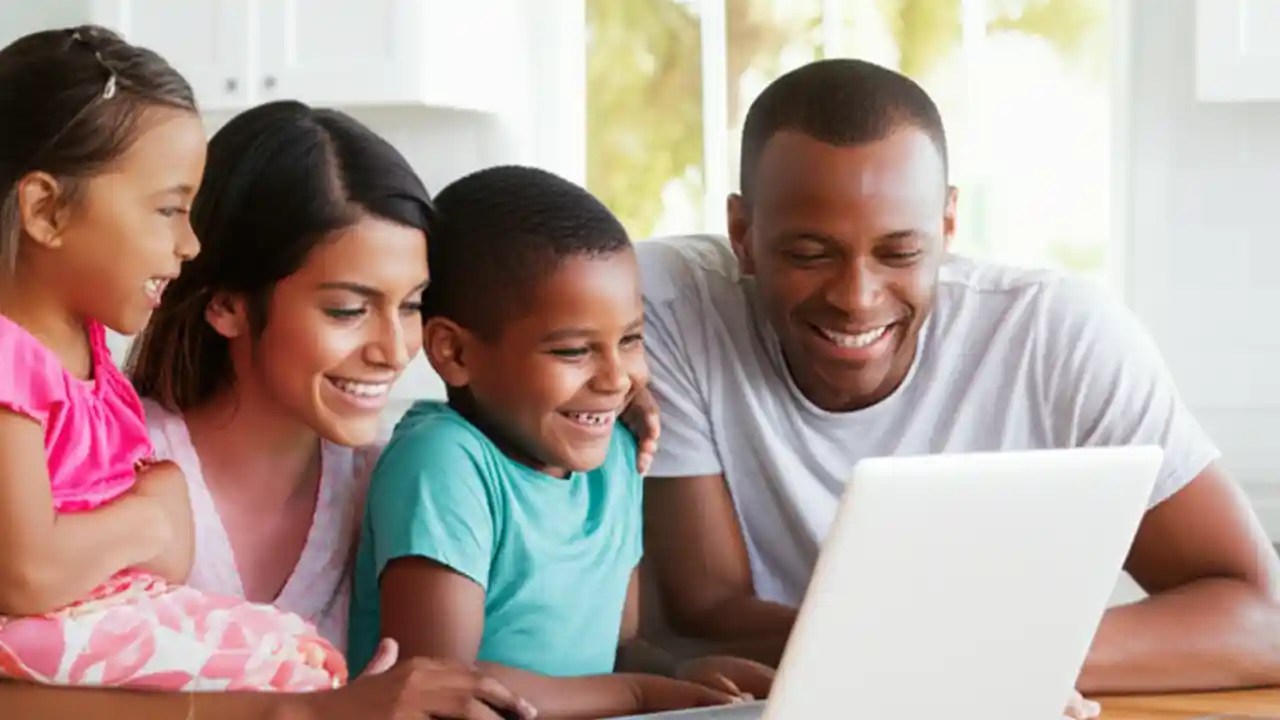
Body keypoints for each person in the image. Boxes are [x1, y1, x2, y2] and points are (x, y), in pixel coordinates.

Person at [637, 57, 1280, 707]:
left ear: (947, 226)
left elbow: (1263, 617)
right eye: (809, 254)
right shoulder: (661, 309)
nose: (857, 299)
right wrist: (965, 661)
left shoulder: (1057, 337)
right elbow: (708, 607)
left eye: (901, 252)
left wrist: (1000, 664)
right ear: (743, 235)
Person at [0, 97, 536, 718]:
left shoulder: (388, 485)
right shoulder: (105, 463)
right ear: (226, 304)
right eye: (347, 309)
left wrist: (619, 423)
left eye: (411, 305)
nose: (394, 350)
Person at [347, 166, 771, 719]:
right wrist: (641, 695)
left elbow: (617, 652)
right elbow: (439, 690)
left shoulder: (615, 456)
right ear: (454, 353)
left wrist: (683, 677)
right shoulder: (445, 463)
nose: (616, 379)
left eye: (631, 340)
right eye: (574, 351)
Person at [0, 26, 346, 692]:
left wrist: (137, 530)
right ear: (46, 210)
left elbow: (174, 555)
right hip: (32, 640)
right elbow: (27, 576)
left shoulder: (94, 360)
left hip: (103, 617)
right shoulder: (11, 366)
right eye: (169, 210)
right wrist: (145, 515)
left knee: (302, 649)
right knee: (286, 677)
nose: (189, 245)